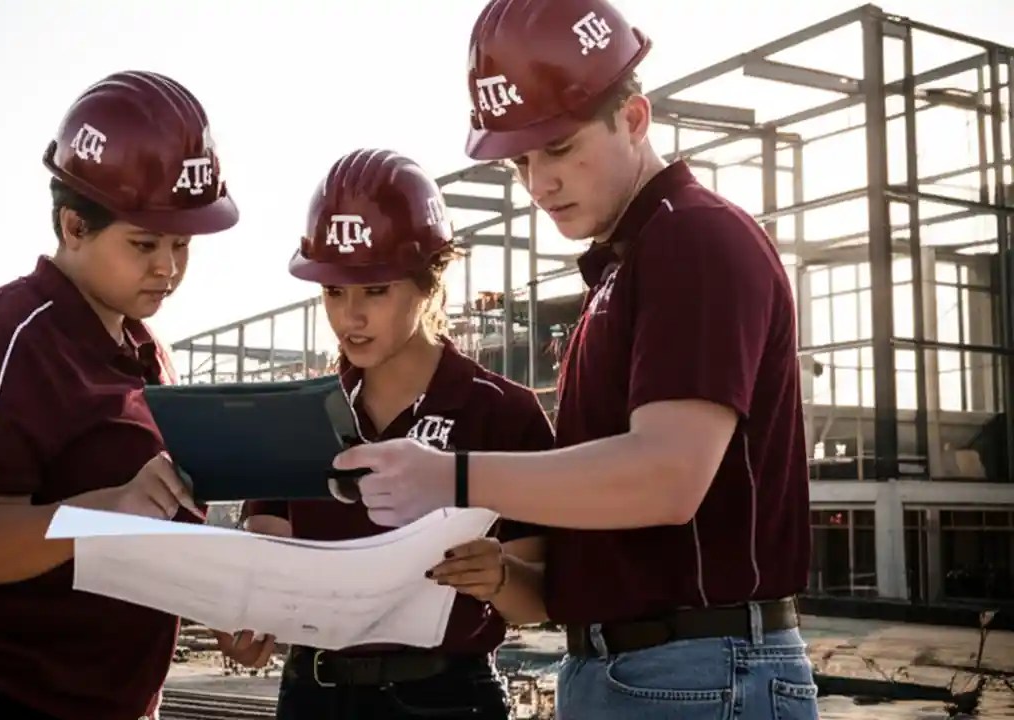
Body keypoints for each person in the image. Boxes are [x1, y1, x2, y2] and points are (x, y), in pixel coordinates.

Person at [330, 2, 821, 718]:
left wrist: (451, 477)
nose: (538, 184)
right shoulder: (628, 269)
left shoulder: (697, 243)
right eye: (522, 160)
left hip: (695, 673)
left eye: (558, 149)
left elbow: (666, 477)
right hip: (642, 668)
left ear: (634, 118)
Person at [0, 70, 236, 720]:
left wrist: (234, 602)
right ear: (74, 226)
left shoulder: (147, 352)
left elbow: (149, 535)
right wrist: (107, 510)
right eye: (145, 243)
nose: (169, 267)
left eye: (183, 244)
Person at [220, 148, 554, 720]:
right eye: (333, 291)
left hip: (446, 699)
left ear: (429, 281)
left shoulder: (502, 414)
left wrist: (497, 575)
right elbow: (264, 558)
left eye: (375, 291)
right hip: (313, 695)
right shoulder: (296, 417)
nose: (350, 316)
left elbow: (540, 600)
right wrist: (247, 619)